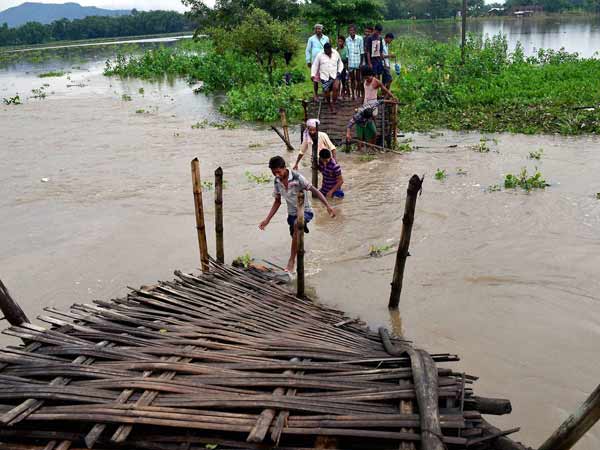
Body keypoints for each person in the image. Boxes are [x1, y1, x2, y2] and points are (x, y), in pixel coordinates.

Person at [259, 156, 336, 272]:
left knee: (296, 226)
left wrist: (328, 206)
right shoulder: (277, 181)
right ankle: (301, 250)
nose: (276, 175)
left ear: (284, 168)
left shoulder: (297, 178)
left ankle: (291, 261)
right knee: (296, 237)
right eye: (274, 173)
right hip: (291, 214)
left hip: (305, 211)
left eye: (278, 172)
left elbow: (314, 190)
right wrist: (267, 220)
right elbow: (277, 202)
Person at [311, 42, 343, 113]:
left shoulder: (336, 53)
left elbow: (340, 63)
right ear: (324, 49)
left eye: (329, 50)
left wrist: (339, 71)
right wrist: (313, 74)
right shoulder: (320, 55)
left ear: (331, 49)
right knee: (326, 91)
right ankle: (329, 104)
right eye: (326, 51)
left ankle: (333, 104)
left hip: (334, 75)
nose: (327, 52)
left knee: (336, 88)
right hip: (324, 76)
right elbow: (315, 65)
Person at [305, 24, 329, 102]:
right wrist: (308, 60)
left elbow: (328, 49)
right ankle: (315, 95)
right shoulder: (311, 39)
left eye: (319, 29)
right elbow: (308, 50)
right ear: (314, 30)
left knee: (324, 78)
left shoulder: (326, 38)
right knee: (315, 79)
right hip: (315, 62)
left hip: (324, 61)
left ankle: (325, 94)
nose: (318, 30)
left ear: (322, 29)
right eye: (316, 29)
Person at [345, 25, 363, 100]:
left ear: (355, 31)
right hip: (351, 62)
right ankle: (353, 95)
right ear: (349, 31)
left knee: (358, 79)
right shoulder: (347, 40)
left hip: (358, 61)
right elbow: (347, 52)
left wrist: (361, 62)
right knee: (352, 79)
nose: (351, 32)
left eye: (353, 30)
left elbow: (362, 51)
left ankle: (358, 94)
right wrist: (347, 63)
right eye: (350, 30)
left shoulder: (359, 38)